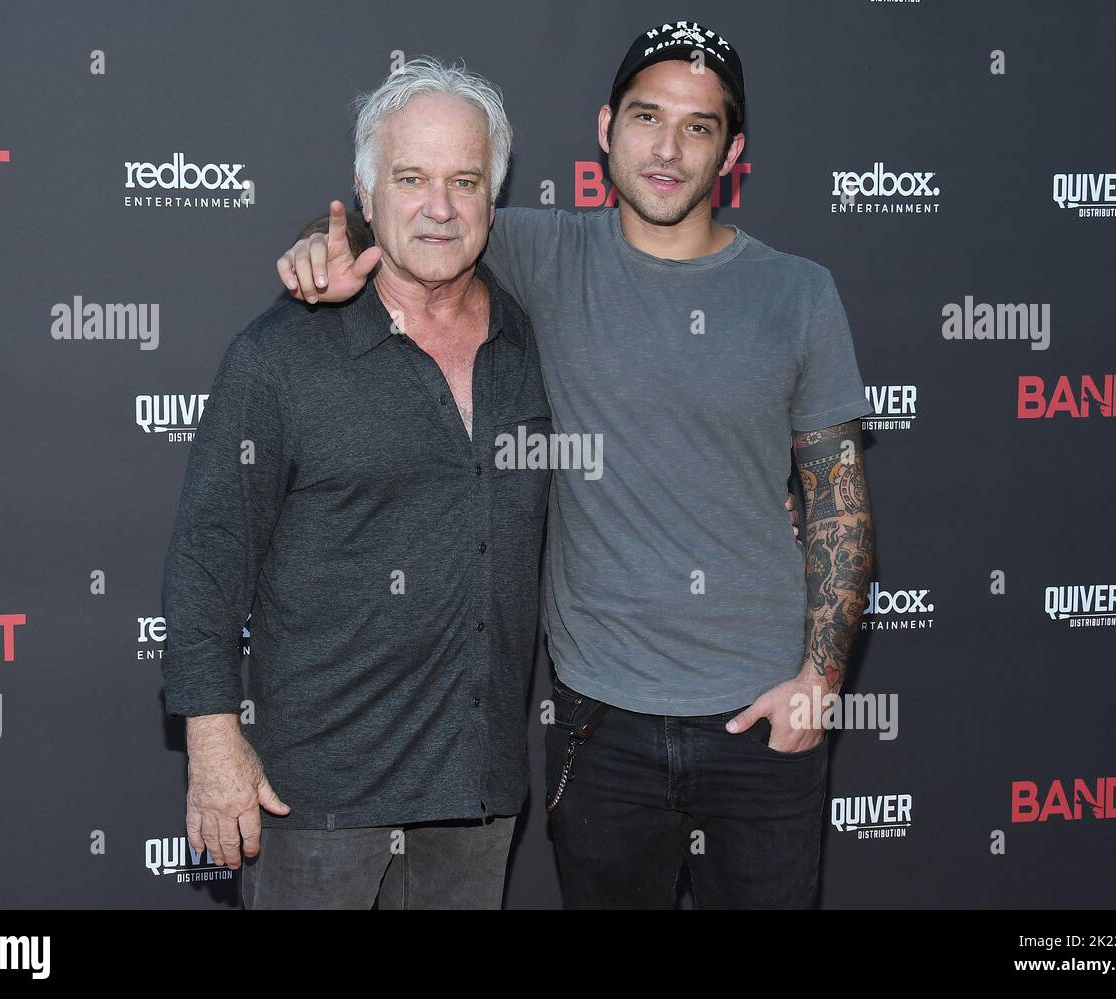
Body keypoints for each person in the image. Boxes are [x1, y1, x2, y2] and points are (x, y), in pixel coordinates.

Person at [280, 20, 872, 909]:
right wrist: (317, 242)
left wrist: (819, 685)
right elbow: (406, 225)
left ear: (731, 153)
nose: (667, 149)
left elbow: (840, 506)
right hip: (600, 727)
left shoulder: (798, 292)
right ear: (606, 128)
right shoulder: (540, 254)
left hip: (761, 722)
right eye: (646, 118)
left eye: (699, 126)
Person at [160, 58, 553, 909]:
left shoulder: (531, 341)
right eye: (411, 178)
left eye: (465, 181)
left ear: (494, 198)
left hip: (477, 790)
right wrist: (214, 742)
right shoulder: (279, 356)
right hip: (317, 799)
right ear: (366, 193)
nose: (439, 206)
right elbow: (208, 556)